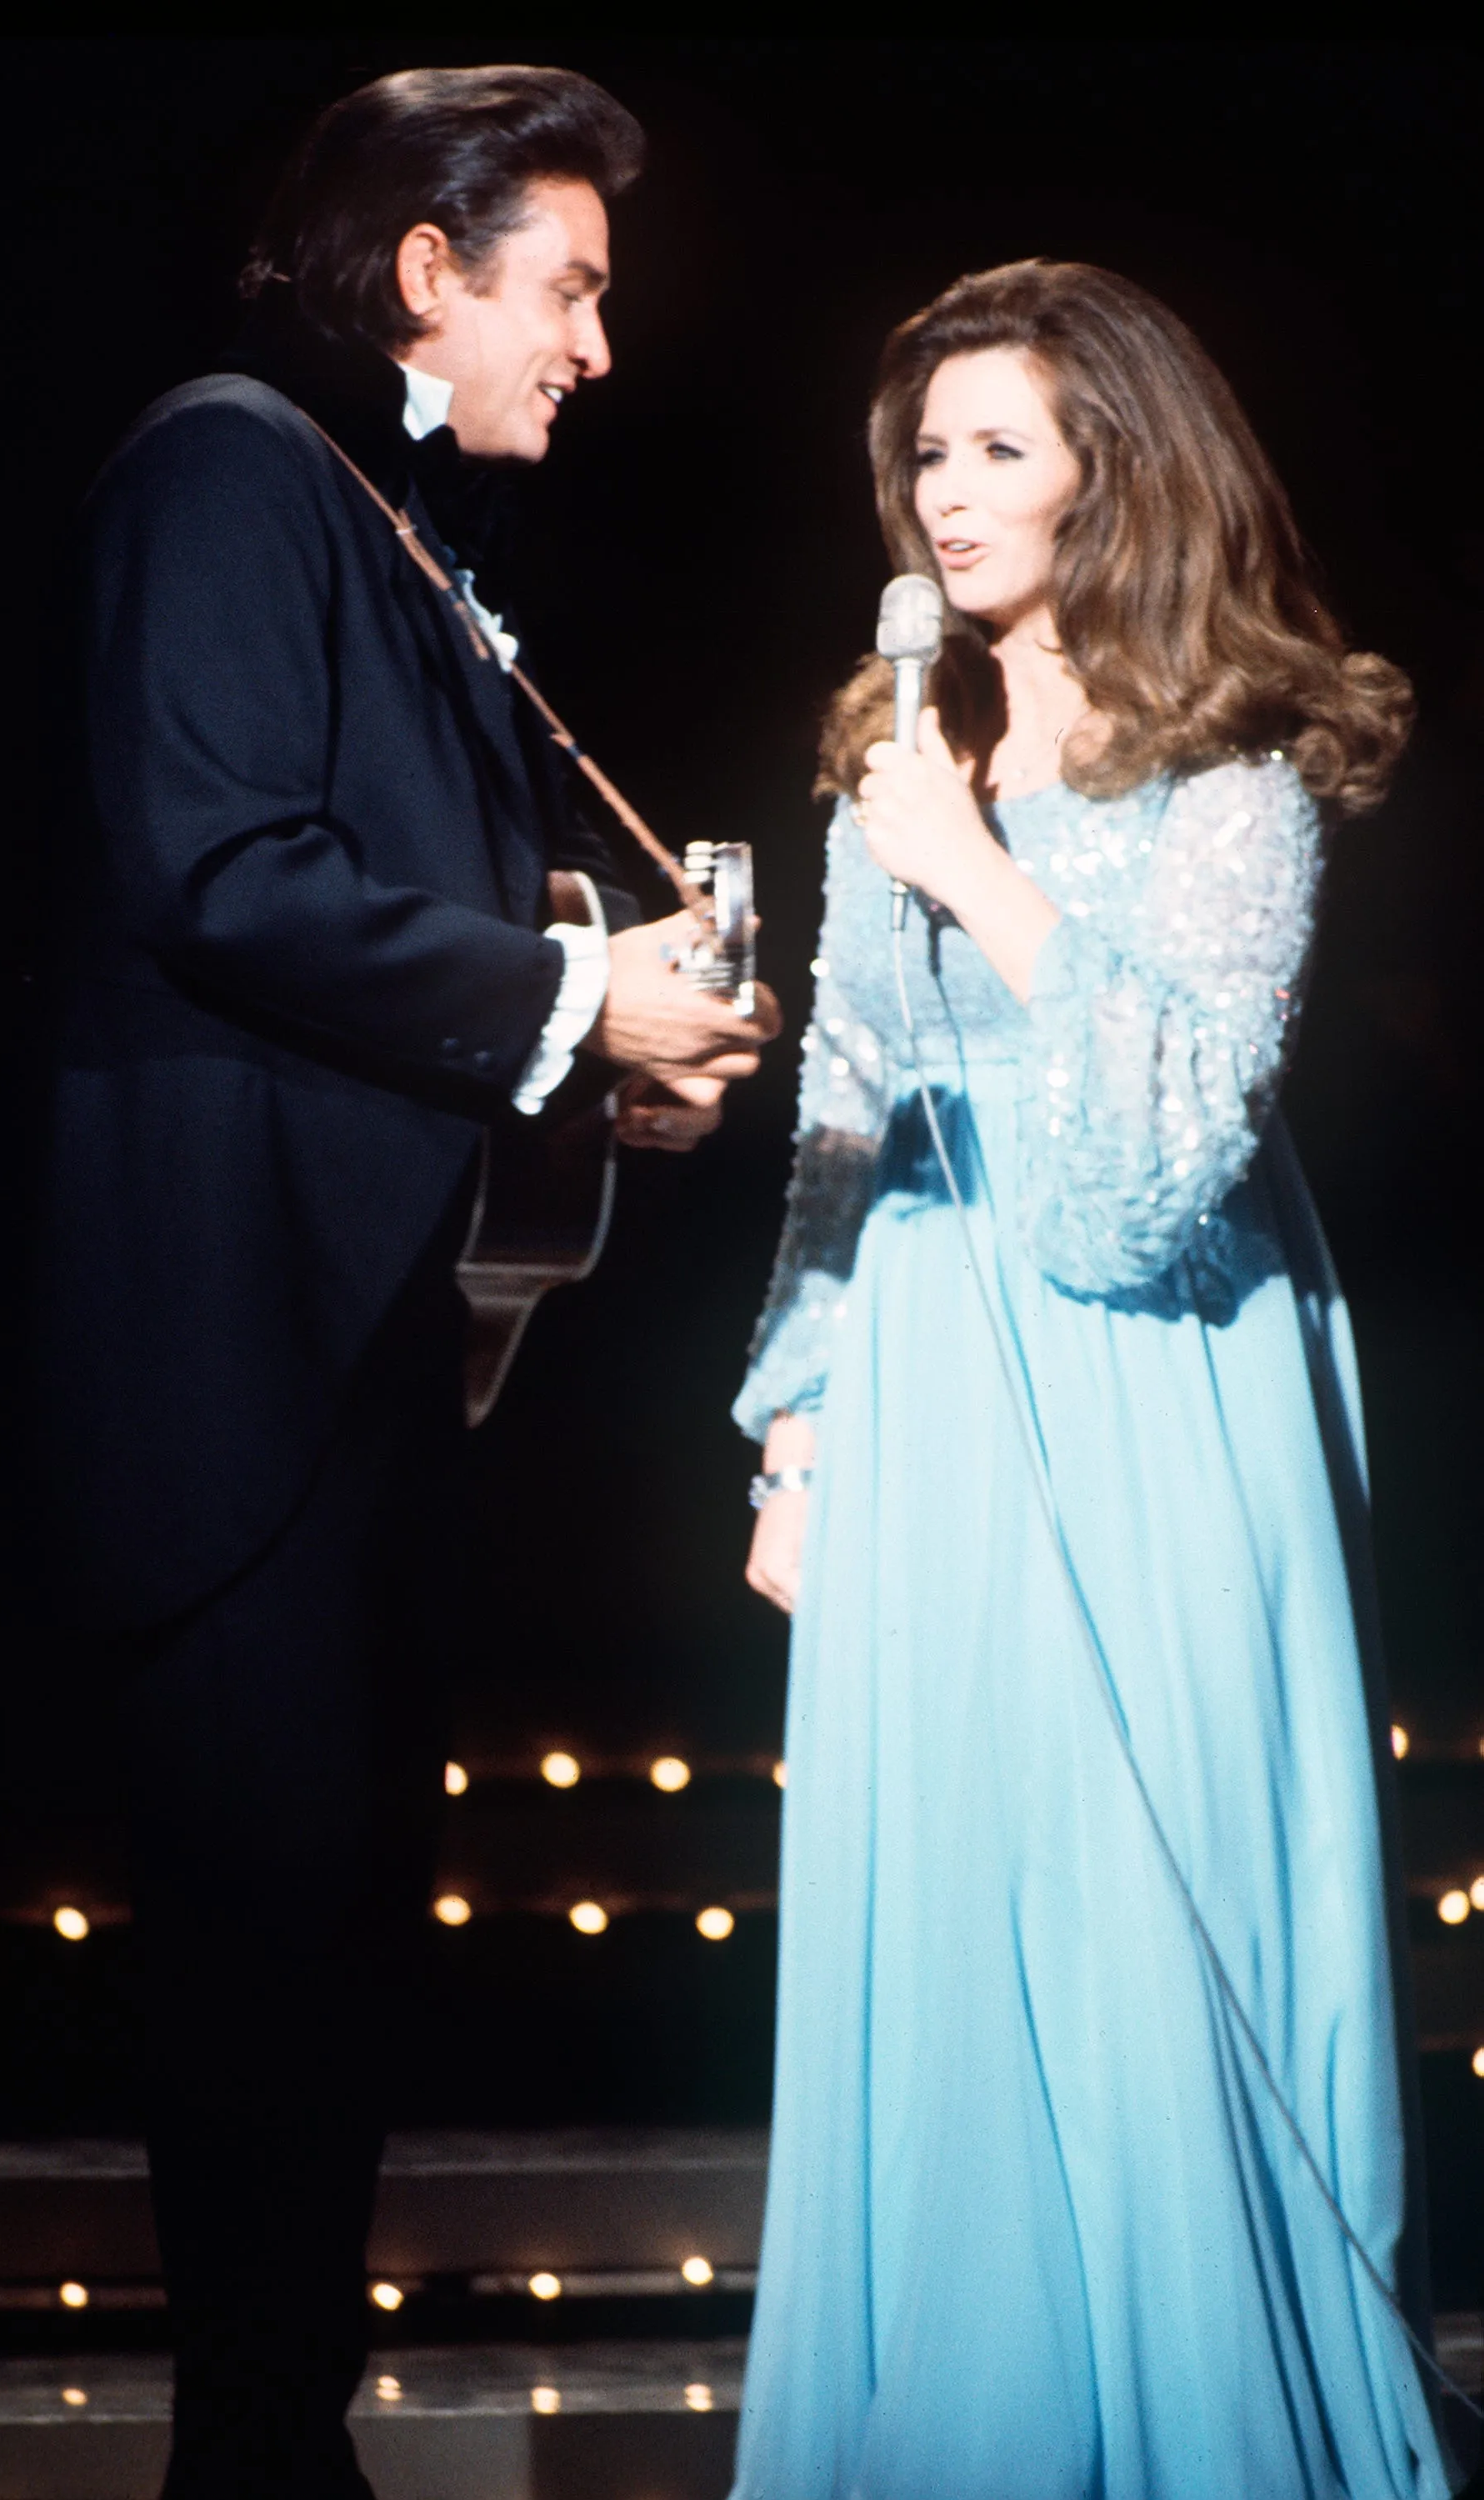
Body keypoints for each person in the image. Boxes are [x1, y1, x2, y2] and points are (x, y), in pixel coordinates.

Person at [28, 66, 777, 2500]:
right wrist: (577, 1005)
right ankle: (259, 2458)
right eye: (558, 290)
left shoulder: (382, 515)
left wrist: (599, 1045)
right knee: (263, 1946)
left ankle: (286, 2445)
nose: (590, 347)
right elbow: (221, 872)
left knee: (331, 1939)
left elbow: (396, 934)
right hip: (227, 1352)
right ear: (422, 272)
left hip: (361, 1355)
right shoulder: (233, 464)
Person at [732, 260, 1459, 2497]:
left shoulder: (1231, 772)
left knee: (1140, 1902)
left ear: (1110, 473)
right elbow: (842, 1107)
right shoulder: (889, 741)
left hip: (1151, 1381)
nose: (943, 494)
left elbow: (1150, 1165)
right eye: (923, 453)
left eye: (995, 449)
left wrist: (986, 874)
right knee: (941, 1911)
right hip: (927, 1383)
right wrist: (802, 1412)